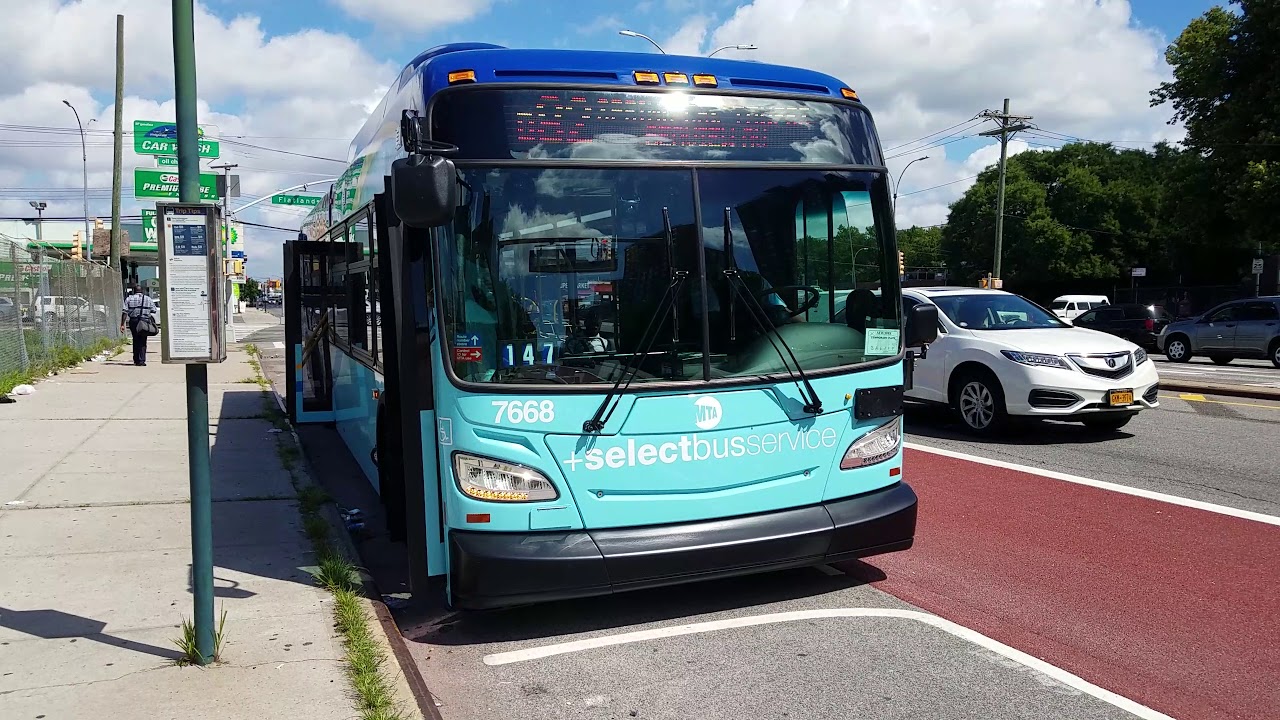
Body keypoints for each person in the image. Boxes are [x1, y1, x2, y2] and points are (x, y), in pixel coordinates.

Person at [120, 285, 157, 366]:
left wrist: (122, 324)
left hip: (134, 321)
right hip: (144, 321)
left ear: (133, 291)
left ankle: (136, 360)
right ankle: (142, 360)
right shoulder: (148, 299)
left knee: (135, 339)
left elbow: (125, 312)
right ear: (142, 291)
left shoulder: (129, 299)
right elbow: (154, 310)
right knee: (143, 340)